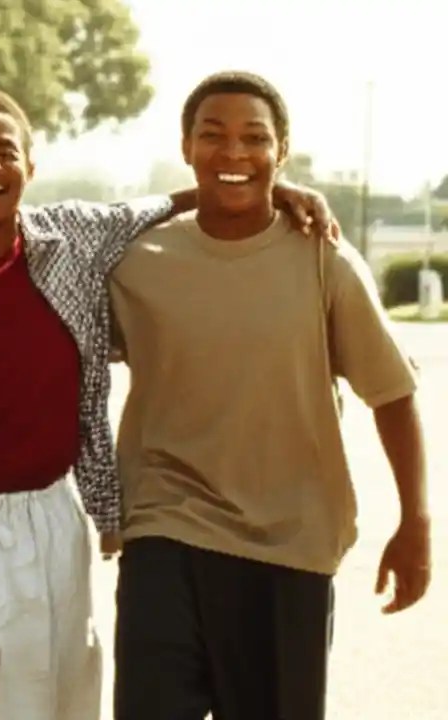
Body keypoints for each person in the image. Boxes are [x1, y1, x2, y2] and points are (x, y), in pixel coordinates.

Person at [0, 86, 334, 720]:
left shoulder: (72, 237)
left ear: (29, 167)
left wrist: (271, 192)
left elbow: (160, 205)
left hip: (46, 524)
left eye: (4, 151)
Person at [109, 70, 430, 720]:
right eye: (213, 135)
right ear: (186, 146)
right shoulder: (137, 261)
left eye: (254, 139)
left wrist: (415, 521)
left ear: (282, 150)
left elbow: (392, 394)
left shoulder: (324, 259)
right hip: (164, 524)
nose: (234, 152)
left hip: (291, 542)